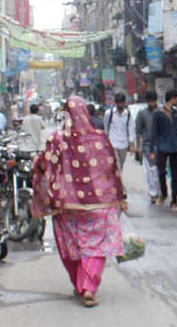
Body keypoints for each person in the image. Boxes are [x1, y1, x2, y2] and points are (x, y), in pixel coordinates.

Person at [31, 96, 126, 307]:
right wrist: (119, 195)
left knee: (70, 245)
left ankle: (79, 283)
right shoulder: (100, 138)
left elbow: (43, 164)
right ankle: (88, 287)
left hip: (67, 205)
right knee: (96, 246)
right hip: (99, 203)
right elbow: (111, 169)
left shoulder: (57, 139)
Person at [150, 89, 177, 213]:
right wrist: (151, 150)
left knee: (176, 174)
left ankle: (174, 201)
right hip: (162, 147)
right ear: (172, 98)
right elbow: (153, 132)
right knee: (161, 172)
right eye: (176, 98)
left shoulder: (176, 113)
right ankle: (164, 193)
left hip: (175, 147)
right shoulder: (158, 113)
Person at [135, 91, 159, 203]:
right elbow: (138, 131)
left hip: (161, 144)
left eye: (153, 101)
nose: (152, 103)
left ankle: (159, 191)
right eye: (150, 101)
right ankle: (153, 193)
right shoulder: (142, 114)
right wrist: (138, 147)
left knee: (160, 170)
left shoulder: (161, 112)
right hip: (148, 145)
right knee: (151, 170)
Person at [104, 91, 134, 169]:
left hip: (124, 144)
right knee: (116, 164)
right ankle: (118, 179)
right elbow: (106, 128)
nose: (120, 105)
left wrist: (131, 144)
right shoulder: (109, 113)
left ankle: (118, 178)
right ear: (115, 103)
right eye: (118, 103)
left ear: (124, 103)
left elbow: (131, 129)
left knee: (121, 164)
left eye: (121, 102)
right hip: (113, 143)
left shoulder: (128, 114)